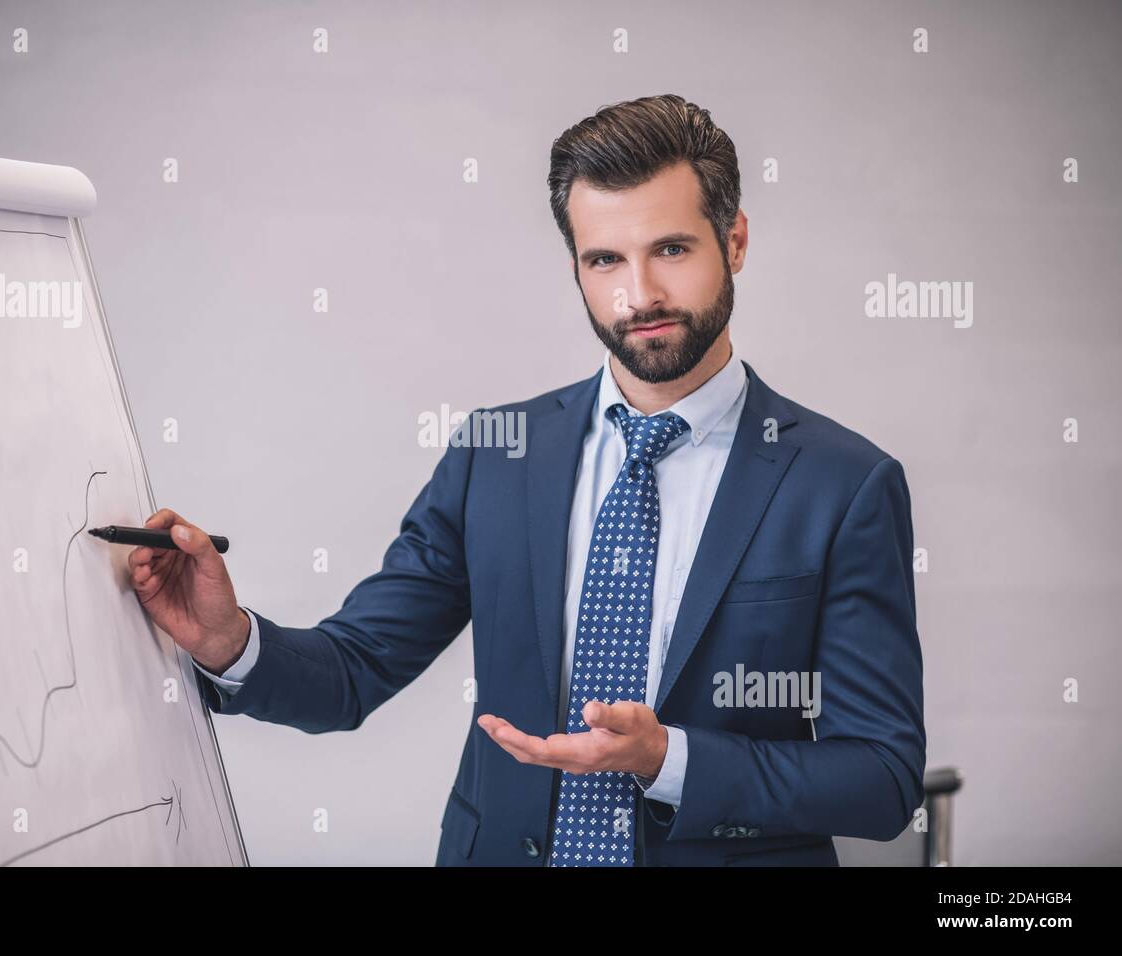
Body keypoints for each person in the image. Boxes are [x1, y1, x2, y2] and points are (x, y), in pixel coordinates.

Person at [128, 94, 926, 867]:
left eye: (671, 250)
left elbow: (882, 780)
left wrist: (670, 760)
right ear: (575, 265)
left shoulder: (843, 484)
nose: (638, 294)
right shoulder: (495, 454)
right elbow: (354, 669)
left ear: (736, 241)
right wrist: (230, 641)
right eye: (605, 258)